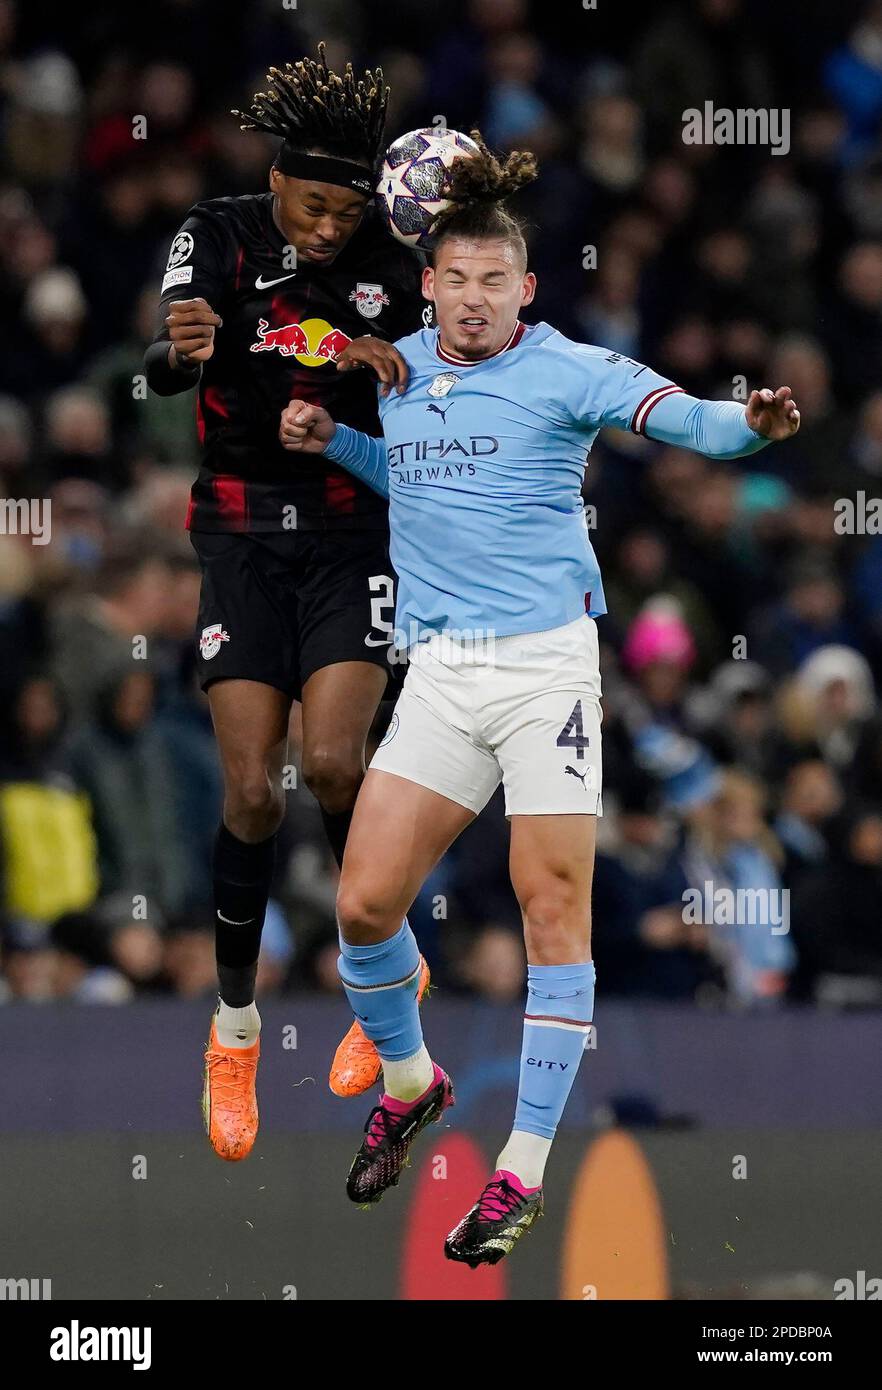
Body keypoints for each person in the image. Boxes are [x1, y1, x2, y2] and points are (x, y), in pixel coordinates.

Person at [279, 135, 800, 1265]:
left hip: (545, 672)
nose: (474, 298)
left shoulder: (568, 368)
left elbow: (684, 418)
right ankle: (411, 1082)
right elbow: (419, 475)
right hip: (440, 672)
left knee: (549, 903)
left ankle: (522, 1167)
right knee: (363, 906)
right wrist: (339, 443)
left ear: (527, 289)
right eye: (456, 279)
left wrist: (747, 425)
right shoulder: (398, 369)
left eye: (495, 280)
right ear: (428, 282)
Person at [144, 46, 429, 1163]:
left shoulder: (396, 260)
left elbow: (445, 384)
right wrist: (180, 354)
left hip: (353, 530)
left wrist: (398, 363)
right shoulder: (215, 236)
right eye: (313, 205)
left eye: (347, 211)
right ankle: (235, 1029)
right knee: (255, 790)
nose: (328, 227)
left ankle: (382, 986)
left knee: (339, 765)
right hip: (241, 532)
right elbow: (164, 363)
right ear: (276, 182)